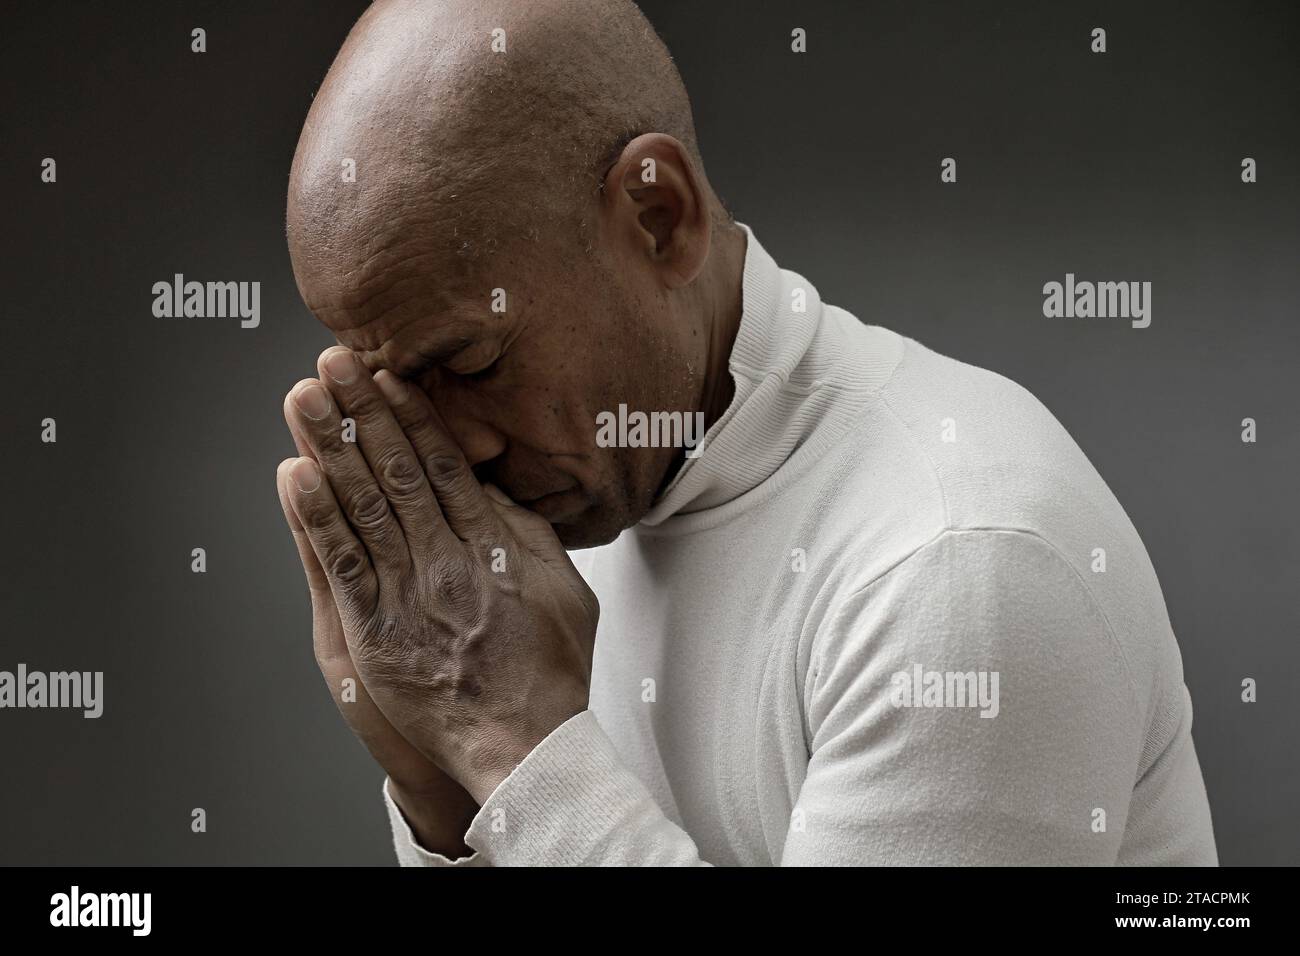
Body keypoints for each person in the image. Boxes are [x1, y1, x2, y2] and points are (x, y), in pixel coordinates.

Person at [275, 0, 1217, 865]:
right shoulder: (579, 509)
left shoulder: (955, 563)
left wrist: (513, 748)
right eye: (401, 389)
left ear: (658, 215)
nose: (459, 451)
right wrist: (445, 790)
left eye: (475, 364)